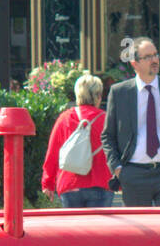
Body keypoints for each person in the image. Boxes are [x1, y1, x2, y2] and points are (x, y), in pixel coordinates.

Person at [101, 37, 160, 207]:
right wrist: (118, 169)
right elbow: (108, 136)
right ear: (134, 63)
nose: (154, 60)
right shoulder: (120, 93)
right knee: (140, 232)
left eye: (155, 55)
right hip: (133, 174)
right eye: (148, 57)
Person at [42, 74, 113, 208]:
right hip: (100, 183)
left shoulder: (65, 118)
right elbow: (115, 152)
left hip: (70, 184)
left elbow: (53, 152)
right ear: (98, 96)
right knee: (98, 229)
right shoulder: (106, 120)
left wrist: (48, 183)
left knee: (74, 228)